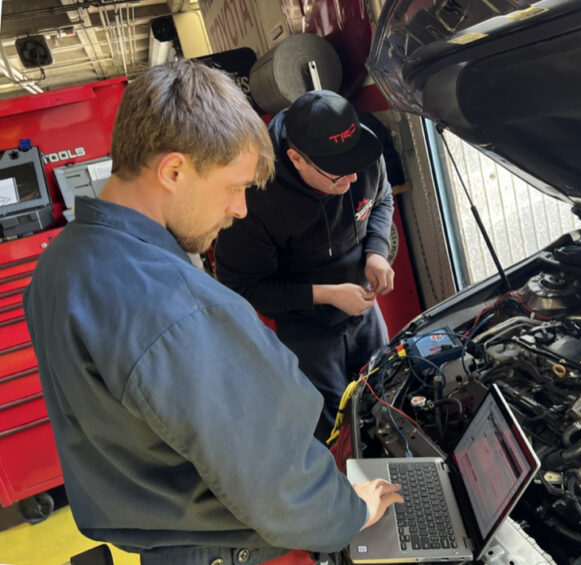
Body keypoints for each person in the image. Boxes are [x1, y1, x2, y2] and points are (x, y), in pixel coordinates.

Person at [23, 61, 401, 565]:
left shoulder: (64, 260)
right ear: (174, 171)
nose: (241, 209)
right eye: (235, 187)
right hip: (220, 548)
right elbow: (271, 479)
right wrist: (349, 511)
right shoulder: (170, 305)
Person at [215, 90, 395, 442]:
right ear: (296, 158)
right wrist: (327, 295)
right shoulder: (255, 198)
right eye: (337, 176)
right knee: (335, 431)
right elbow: (244, 287)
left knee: (389, 396)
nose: (352, 181)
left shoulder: (362, 156)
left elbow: (382, 199)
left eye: (355, 168)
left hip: (362, 308)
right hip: (306, 327)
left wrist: (376, 249)